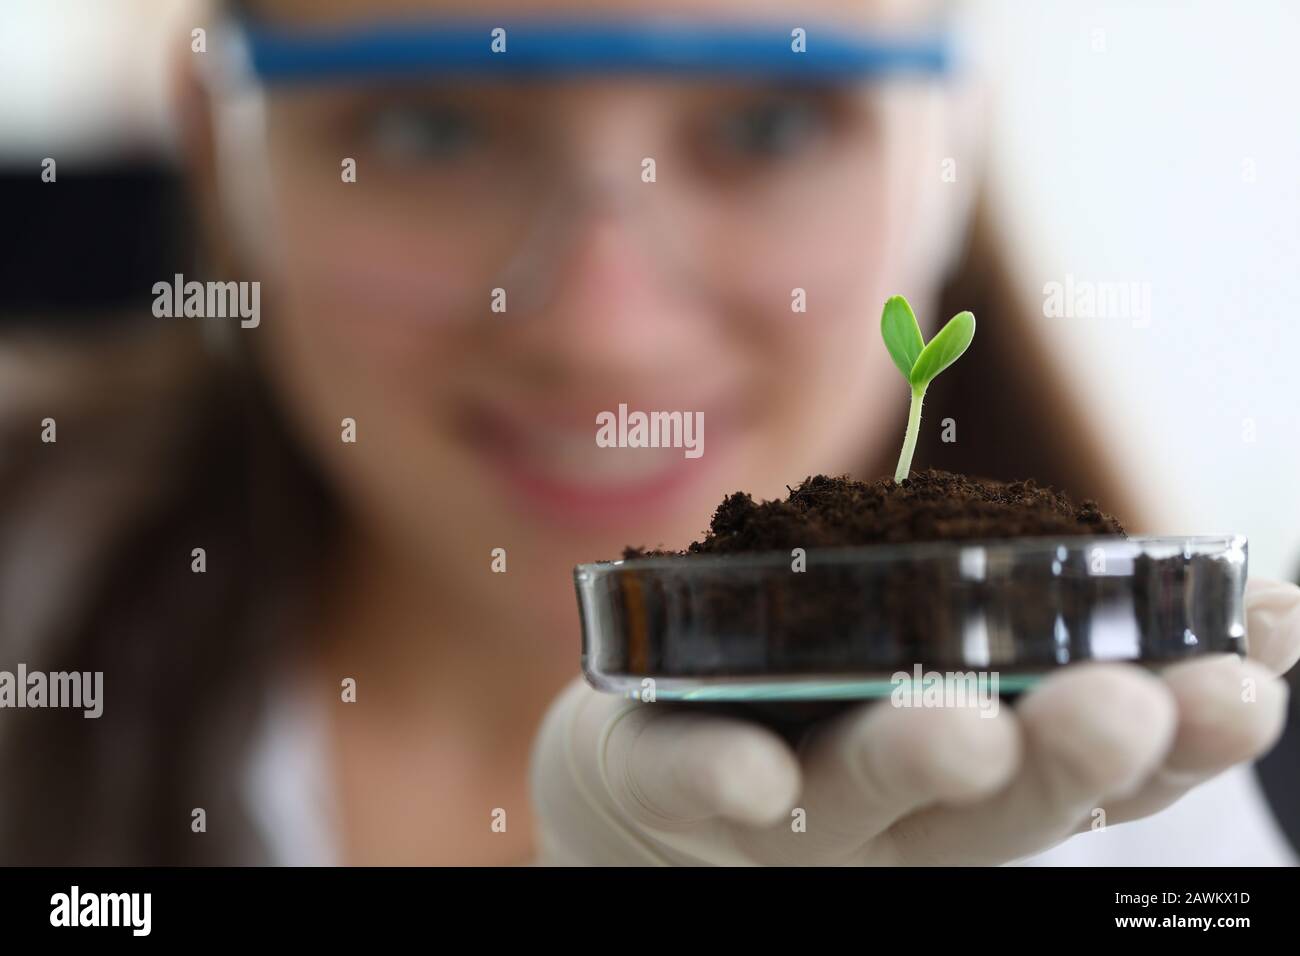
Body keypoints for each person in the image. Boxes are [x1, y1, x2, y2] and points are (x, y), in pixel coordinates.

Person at [1, 0, 1296, 865]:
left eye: (770, 124)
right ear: (213, 145)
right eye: (428, 126)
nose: (603, 336)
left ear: (953, 136)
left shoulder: (1168, 812)